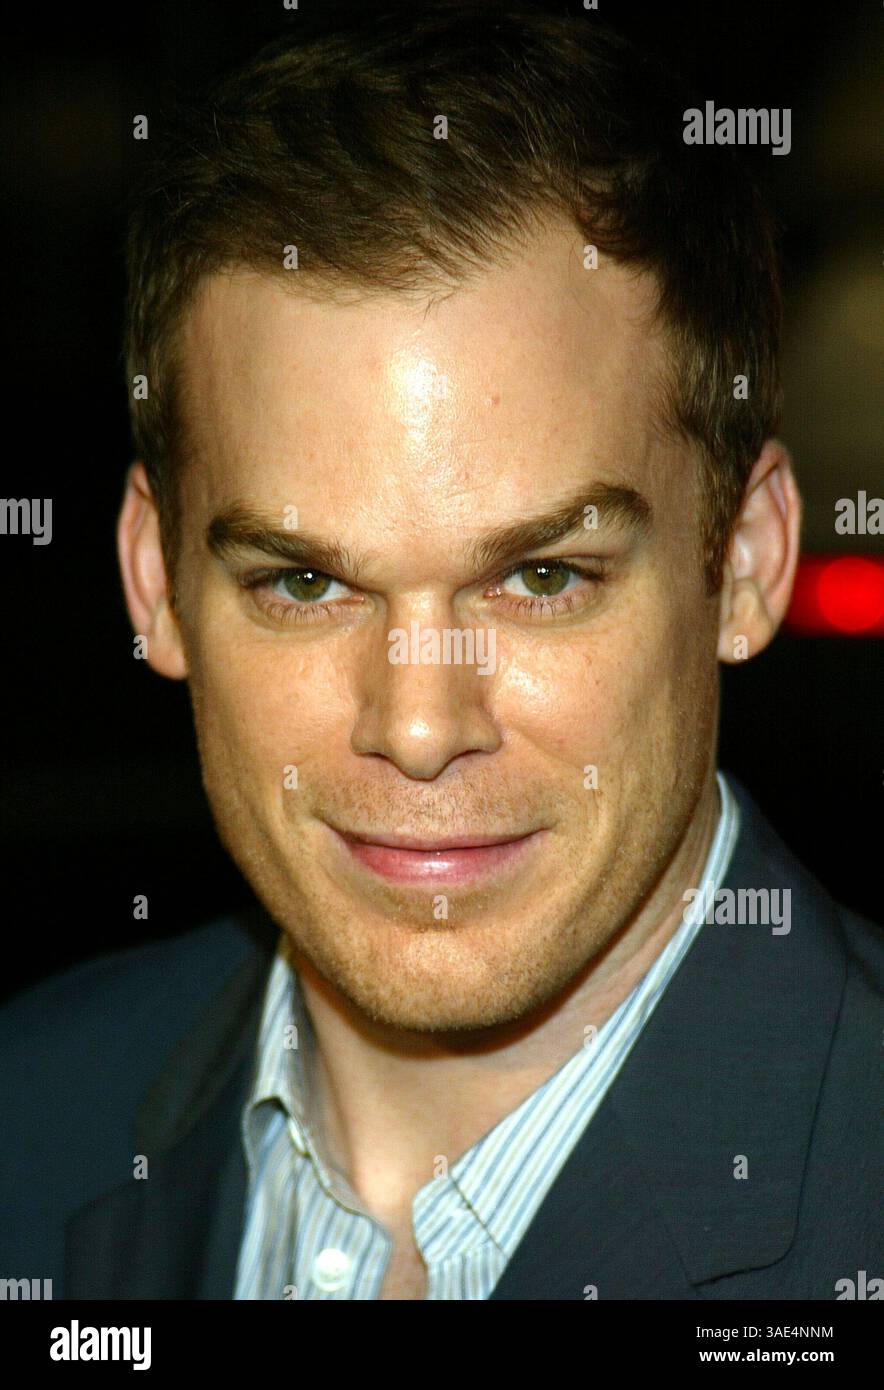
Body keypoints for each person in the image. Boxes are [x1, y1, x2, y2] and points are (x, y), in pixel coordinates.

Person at [2, 1, 881, 1301]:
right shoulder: (28, 1116)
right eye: (305, 582)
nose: (418, 726)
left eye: (541, 578)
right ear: (155, 582)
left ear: (745, 561)